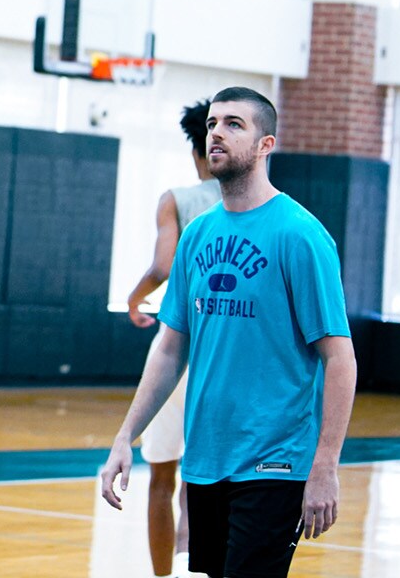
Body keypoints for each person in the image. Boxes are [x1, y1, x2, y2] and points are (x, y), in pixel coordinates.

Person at [99, 87, 356, 578]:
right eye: (213, 123)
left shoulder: (300, 234)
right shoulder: (198, 235)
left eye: (234, 124)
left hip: (275, 463)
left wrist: (325, 465)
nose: (216, 132)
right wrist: (125, 435)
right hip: (207, 458)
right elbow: (170, 348)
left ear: (265, 145)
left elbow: (339, 357)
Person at [122, 99, 220, 578]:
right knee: (208, 482)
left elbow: (163, 266)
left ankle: (163, 576)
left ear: (195, 152)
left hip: (178, 348)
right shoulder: (258, 205)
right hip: (225, 352)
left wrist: (134, 297)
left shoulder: (176, 200)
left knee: (162, 477)